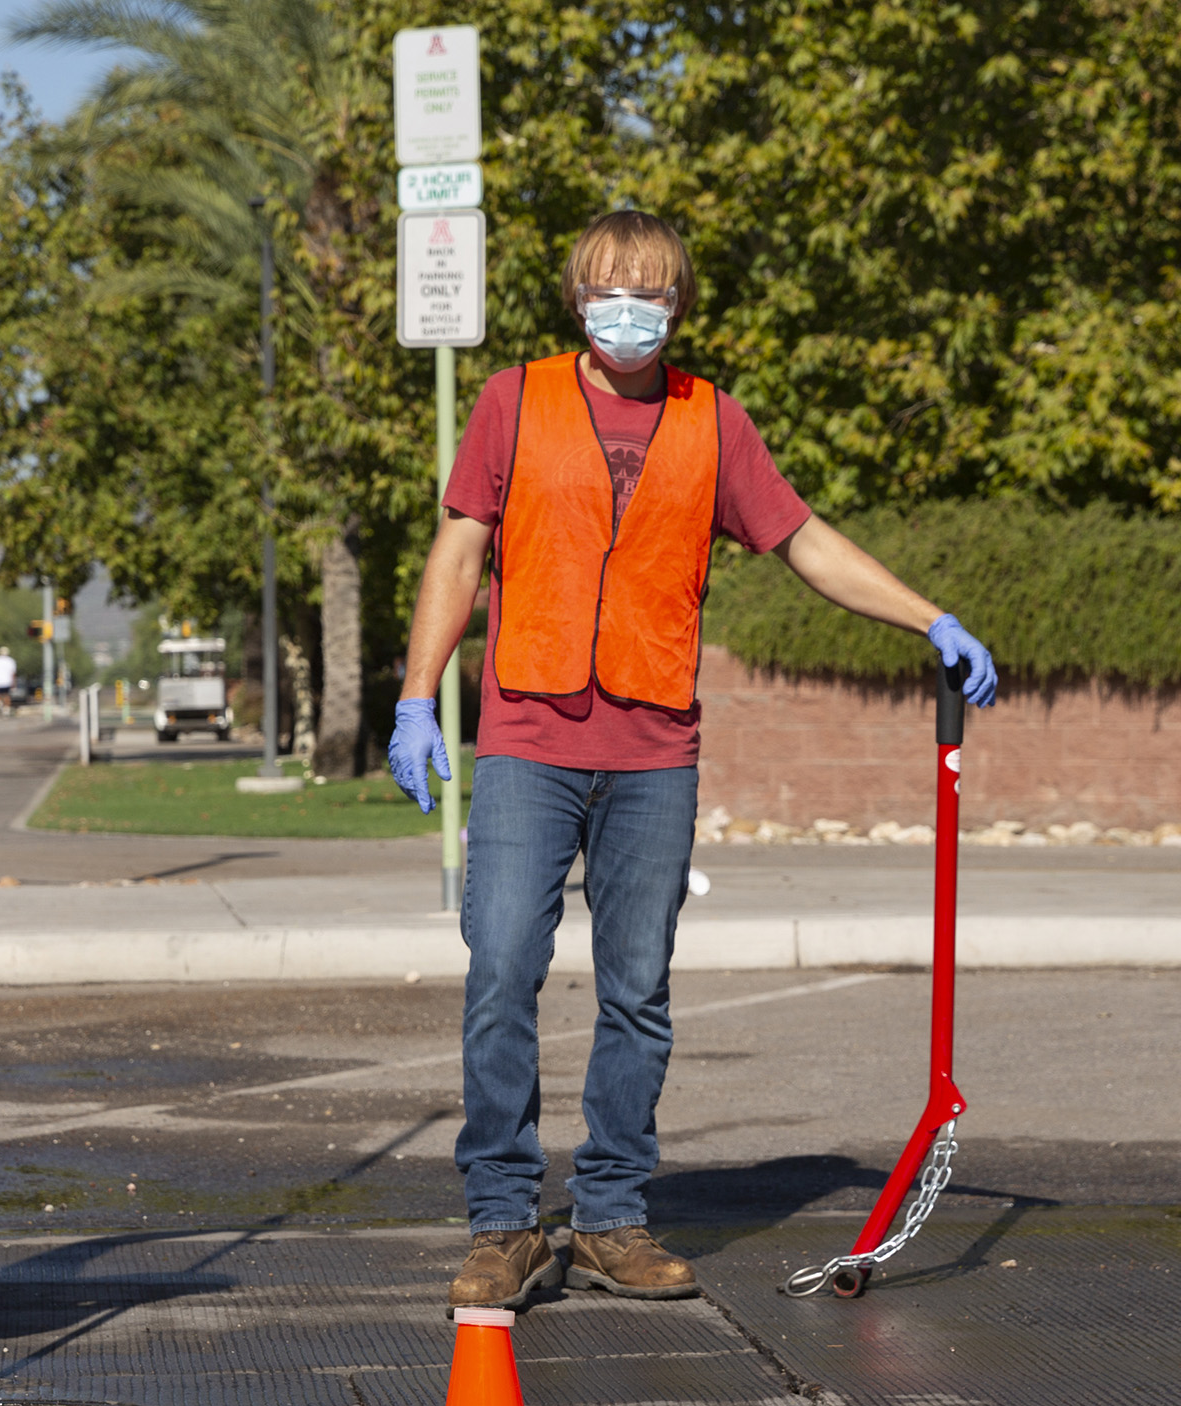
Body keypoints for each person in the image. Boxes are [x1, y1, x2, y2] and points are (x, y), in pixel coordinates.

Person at [388, 211, 997, 1312]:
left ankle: (612, 1217)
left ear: (677, 302)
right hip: (528, 733)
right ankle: (501, 1224)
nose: (630, 304)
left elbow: (803, 540)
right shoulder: (510, 403)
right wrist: (413, 698)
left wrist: (928, 617)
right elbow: (461, 546)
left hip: (652, 747)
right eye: (611, 284)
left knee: (636, 992)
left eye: (652, 288)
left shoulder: (713, 422)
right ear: (577, 295)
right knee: (499, 976)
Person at [0, 645, 18, 717]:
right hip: (8, 681)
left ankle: (0, 704)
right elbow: (13, 673)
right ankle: (6, 709)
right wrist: (14, 683)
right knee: (7, 695)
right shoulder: (11, 660)